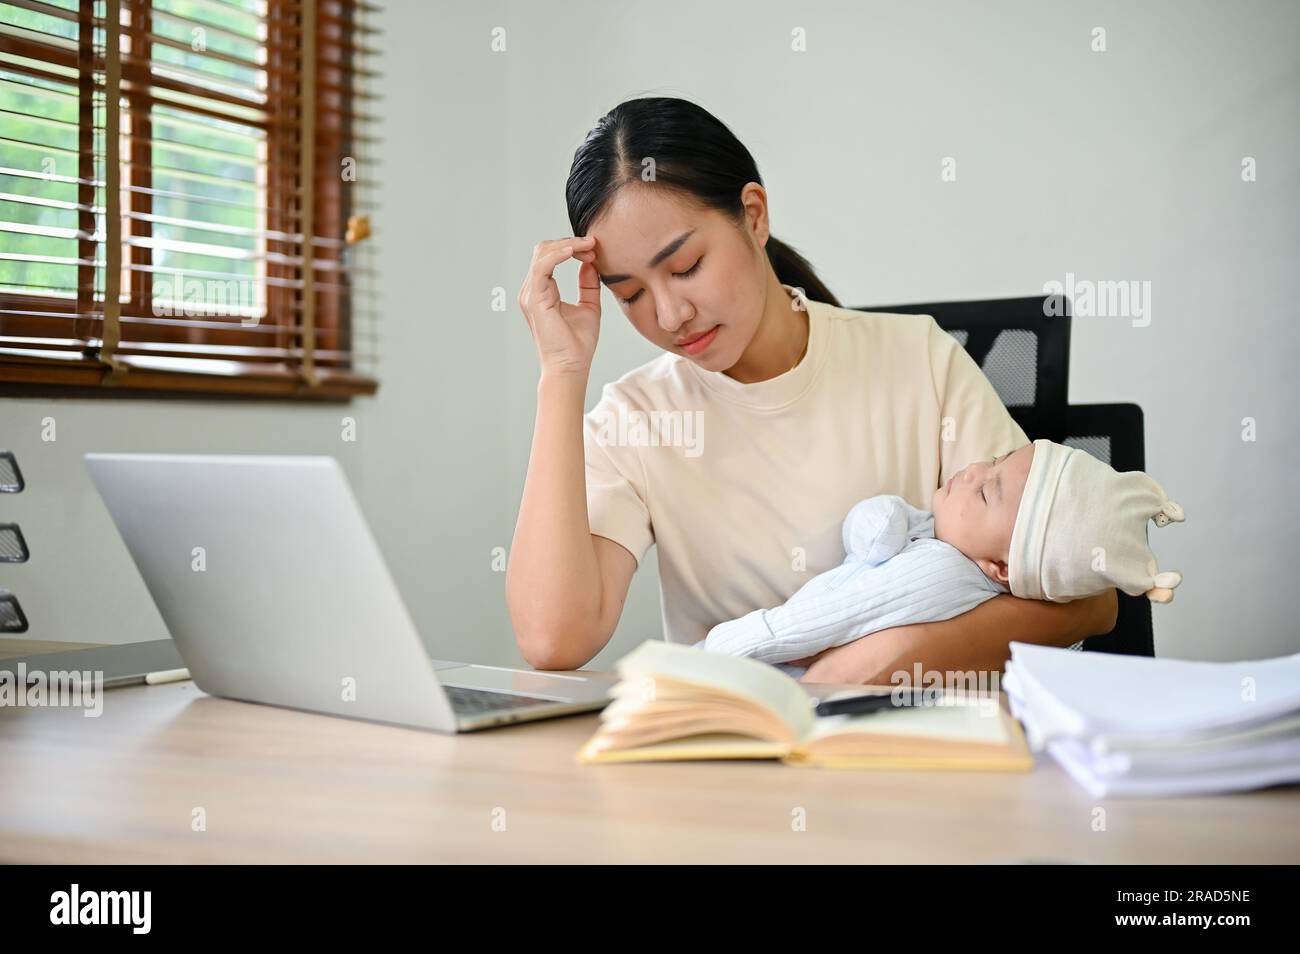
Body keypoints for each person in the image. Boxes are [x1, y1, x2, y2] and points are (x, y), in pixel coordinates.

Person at [508, 96, 1118, 684]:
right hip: (735, 759)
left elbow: (1091, 600)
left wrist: (883, 659)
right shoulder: (639, 418)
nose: (669, 316)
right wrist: (561, 377)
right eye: (630, 294)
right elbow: (553, 640)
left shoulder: (917, 360)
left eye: (686, 266)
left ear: (754, 215)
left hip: (911, 751)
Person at [699, 440, 1184, 678]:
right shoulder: (952, 552)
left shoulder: (937, 572)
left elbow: (816, 620)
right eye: (994, 460)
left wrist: (717, 652)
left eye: (988, 492)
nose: (973, 470)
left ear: (1004, 568)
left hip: (776, 677)